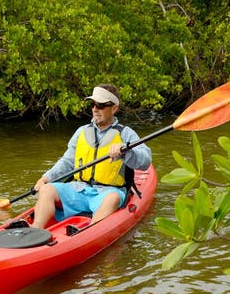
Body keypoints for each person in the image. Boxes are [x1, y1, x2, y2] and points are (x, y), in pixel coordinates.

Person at [31, 84, 152, 229]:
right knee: (47, 189)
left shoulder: (126, 134)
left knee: (112, 199)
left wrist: (126, 151)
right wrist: (46, 178)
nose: (95, 109)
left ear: (114, 108)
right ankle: (36, 230)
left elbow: (146, 161)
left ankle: (87, 232)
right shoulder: (81, 132)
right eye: (93, 104)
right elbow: (67, 162)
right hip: (78, 190)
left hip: (107, 193)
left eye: (101, 105)